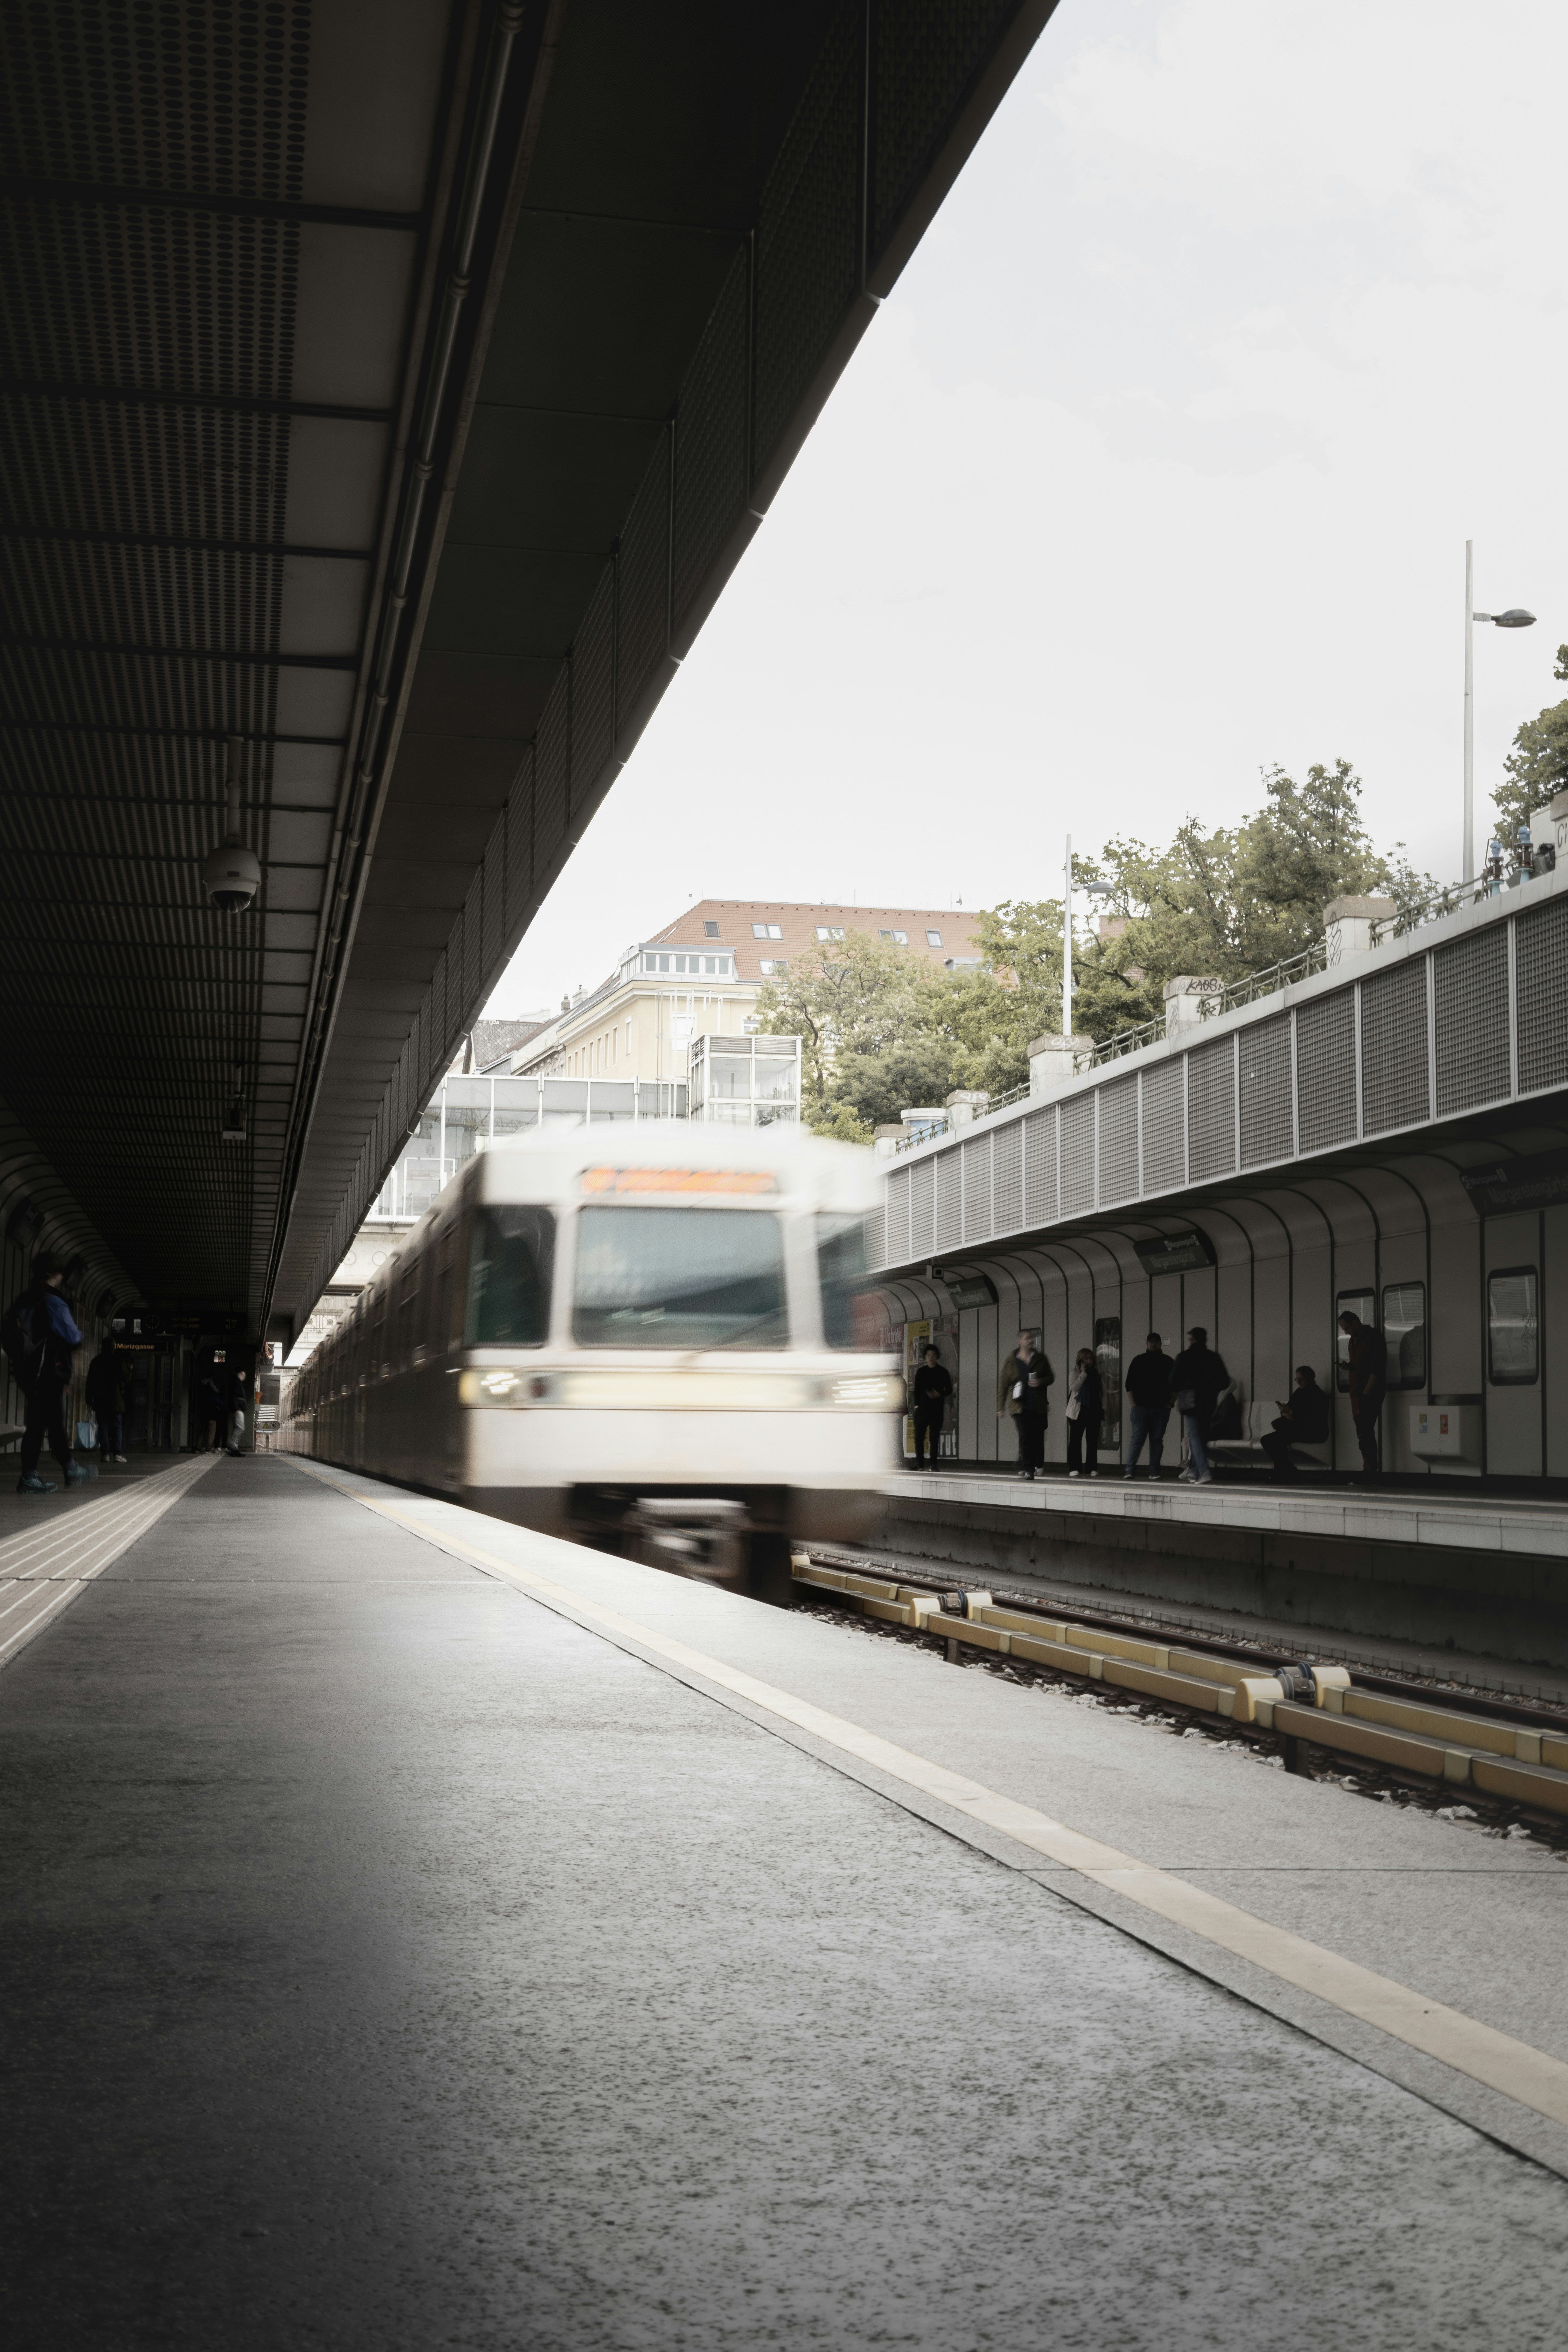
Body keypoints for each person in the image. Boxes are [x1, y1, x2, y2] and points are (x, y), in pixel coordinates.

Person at [2, 1256, 87, 1494]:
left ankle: (67, 1469)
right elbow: (73, 1337)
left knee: (44, 1423)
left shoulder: (25, 1299)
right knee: (45, 1425)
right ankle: (44, 1475)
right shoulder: (54, 1302)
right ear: (57, 1275)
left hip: (26, 1371)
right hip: (48, 1370)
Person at [1168, 1324, 1230, 1485]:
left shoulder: (1184, 1357)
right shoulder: (1214, 1357)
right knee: (1200, 1435)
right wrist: (1212, 1388)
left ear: (1191, 1340)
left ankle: (1204, 1471)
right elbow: (1225, 1381)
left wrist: (1182, 1388)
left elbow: (1172, 1381)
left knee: (1195, 1435)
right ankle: (1194, 1471)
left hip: (1189, 1399)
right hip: (1208, 1400)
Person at [997, 1329, 1054, 1480]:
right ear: (1019, 1341)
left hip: (1037, 1404)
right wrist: (1000, 1407)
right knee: (1025, 1436)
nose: (1031, 1340)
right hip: (1018, 1405)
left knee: (1036, 1437)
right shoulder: (1011, 1361)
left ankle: (1030, 1465)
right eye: (1027, 1338)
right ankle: (1029, 1469)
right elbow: (1003, 1384)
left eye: (1032, 1338)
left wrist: (1041, 1381)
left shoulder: (1041, 1358)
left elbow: (1051, 1377)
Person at [1339, 1309, 1387, 1482]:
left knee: (1365, 1430)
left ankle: (1370, 1469)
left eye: (1346, 1328)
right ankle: (1368, 1467)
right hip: (1357, 1392)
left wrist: (1367, 1392)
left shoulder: (1373, 1337)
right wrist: (1349, 1366)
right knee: (1363, 1431)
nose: (1345, 1332)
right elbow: (1361, 1364)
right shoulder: (1353, 1340)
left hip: (1368, 1391)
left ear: (1355, 1323)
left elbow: (1379, 1367)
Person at [1260, 1366, 1330, 1481]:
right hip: (1298, 1429)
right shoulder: (1300, 1392)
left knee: (1273, 1440)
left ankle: (1284, 1470)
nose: (1298, 1383)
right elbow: (1291, 1410)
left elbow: (1311, 1418)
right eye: (1297, 1380)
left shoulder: (1318, 1395)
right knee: (1270, 1440)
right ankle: (1286, 1469)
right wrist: (1286, 1413)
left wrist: (1291, 1413)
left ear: (1311, 1379)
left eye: (1301, 1380)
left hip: (1312, 1431)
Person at [1122, 1332, 1171, 1477]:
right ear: (1147, 1343)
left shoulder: (1143, 1361)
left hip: (1156, 1407)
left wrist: (1170, 1404)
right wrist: (1134, 1405)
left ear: (1160, 1344)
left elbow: (1129, 1384)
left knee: (1143, 1439)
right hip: (1147, 1407)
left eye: (1156, 1342)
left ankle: (1134, 1470)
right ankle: (1147, 1471)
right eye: (1151, 1342)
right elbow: (1129, 1384)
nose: (1154, 1344)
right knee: (1153, 1440)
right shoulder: (1164, 1361)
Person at [85, 1335, 131, 1464]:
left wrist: (89, 1399)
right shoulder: (118, 1361)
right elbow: (126, 1378)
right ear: (114, 1347)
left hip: (100, 1400)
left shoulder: (96, 1361)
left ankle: (105, 1454)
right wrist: (130, 1369)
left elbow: (90, 1382)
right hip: (115, 1400)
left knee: (103, 1427)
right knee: (117, 1427)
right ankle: (118, 1454)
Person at [910, 1344, 952, 1469]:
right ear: (925, 1357)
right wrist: (917, 1405)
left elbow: (949, 1390)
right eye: (928, 1355)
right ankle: (920, 1464)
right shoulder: (921, 1372)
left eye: (933, 1355)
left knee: (934, 1438)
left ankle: (933, 1464)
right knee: (919, 1438)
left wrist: (940, 1394)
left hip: (937, 1410)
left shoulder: (943, 1372)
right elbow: (916, 1390)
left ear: (937, 1357)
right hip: (922, 1410)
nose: (931, 1357)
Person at [1064, 1347, 1104, 1476]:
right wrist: (1083, 1374)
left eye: (1091, 1358)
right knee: (1075, 1440)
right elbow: (1074, 1388)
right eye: (1087, 1358)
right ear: (1081, 1360)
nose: (1090, 1361)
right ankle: (1074, 1468)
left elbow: (1101, 1392)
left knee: (1092, 1441)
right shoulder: (1075, 1372)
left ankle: (1091, 1468)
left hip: (1094, 1410)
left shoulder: (1097, 1373)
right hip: (1078, 1411)